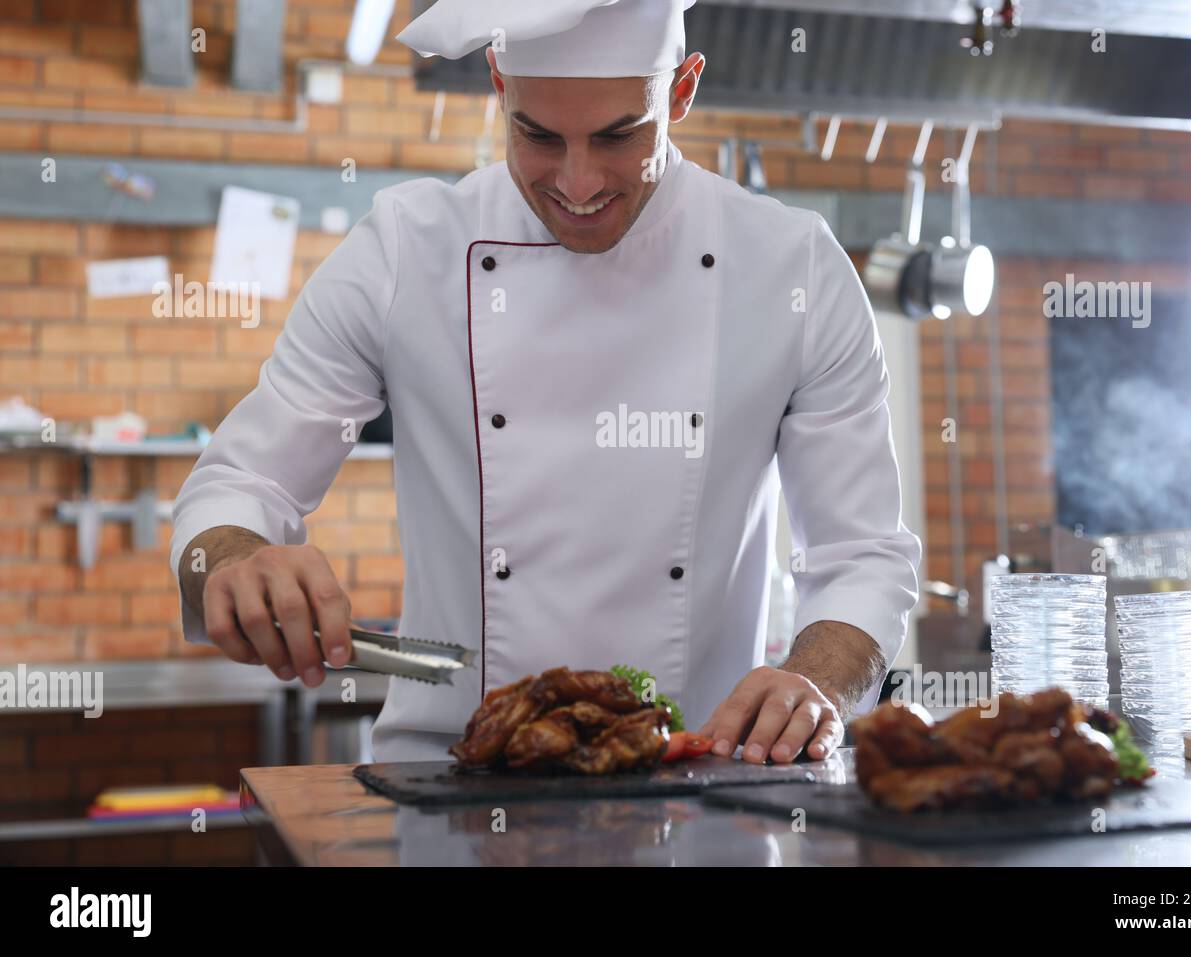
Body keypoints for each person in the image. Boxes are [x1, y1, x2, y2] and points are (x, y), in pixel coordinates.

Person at [171, 0, 921, 765]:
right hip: (449, 778)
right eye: (537, 136)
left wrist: (817, 682)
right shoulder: (406, 252)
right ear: (499, 84)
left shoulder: (791, 268)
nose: (579, 180)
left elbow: (862, 554)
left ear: (683, 89)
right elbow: (239, 481)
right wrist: (233, 559)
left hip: (701, 777)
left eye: (617, 135)